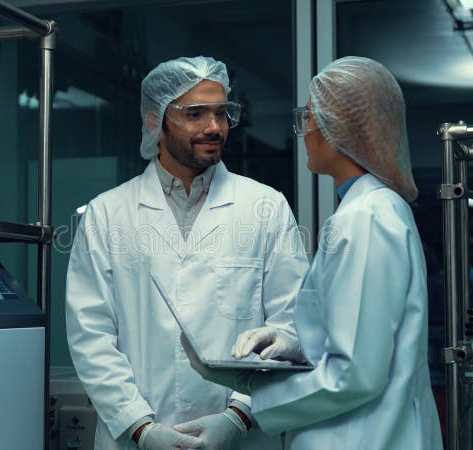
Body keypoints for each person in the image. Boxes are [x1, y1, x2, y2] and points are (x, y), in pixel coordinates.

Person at [182, 56, 444, 449]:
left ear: (339, 128)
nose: (303, 131)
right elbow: (359, 336)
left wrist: (256, 397)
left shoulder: (365, 219)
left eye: (309, 116)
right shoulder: (371, 212)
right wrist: (294, 343)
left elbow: (356, 374)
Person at [65, 55, 309, 450]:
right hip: (134, 437)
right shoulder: (106, 213)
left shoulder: (266, 207)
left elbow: (291, 324)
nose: (214, 127)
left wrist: (237, 417)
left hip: (240, 435)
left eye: (222, 113)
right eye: (195, 114)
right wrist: (141, 428)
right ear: (154, 121)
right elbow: (90, 335)